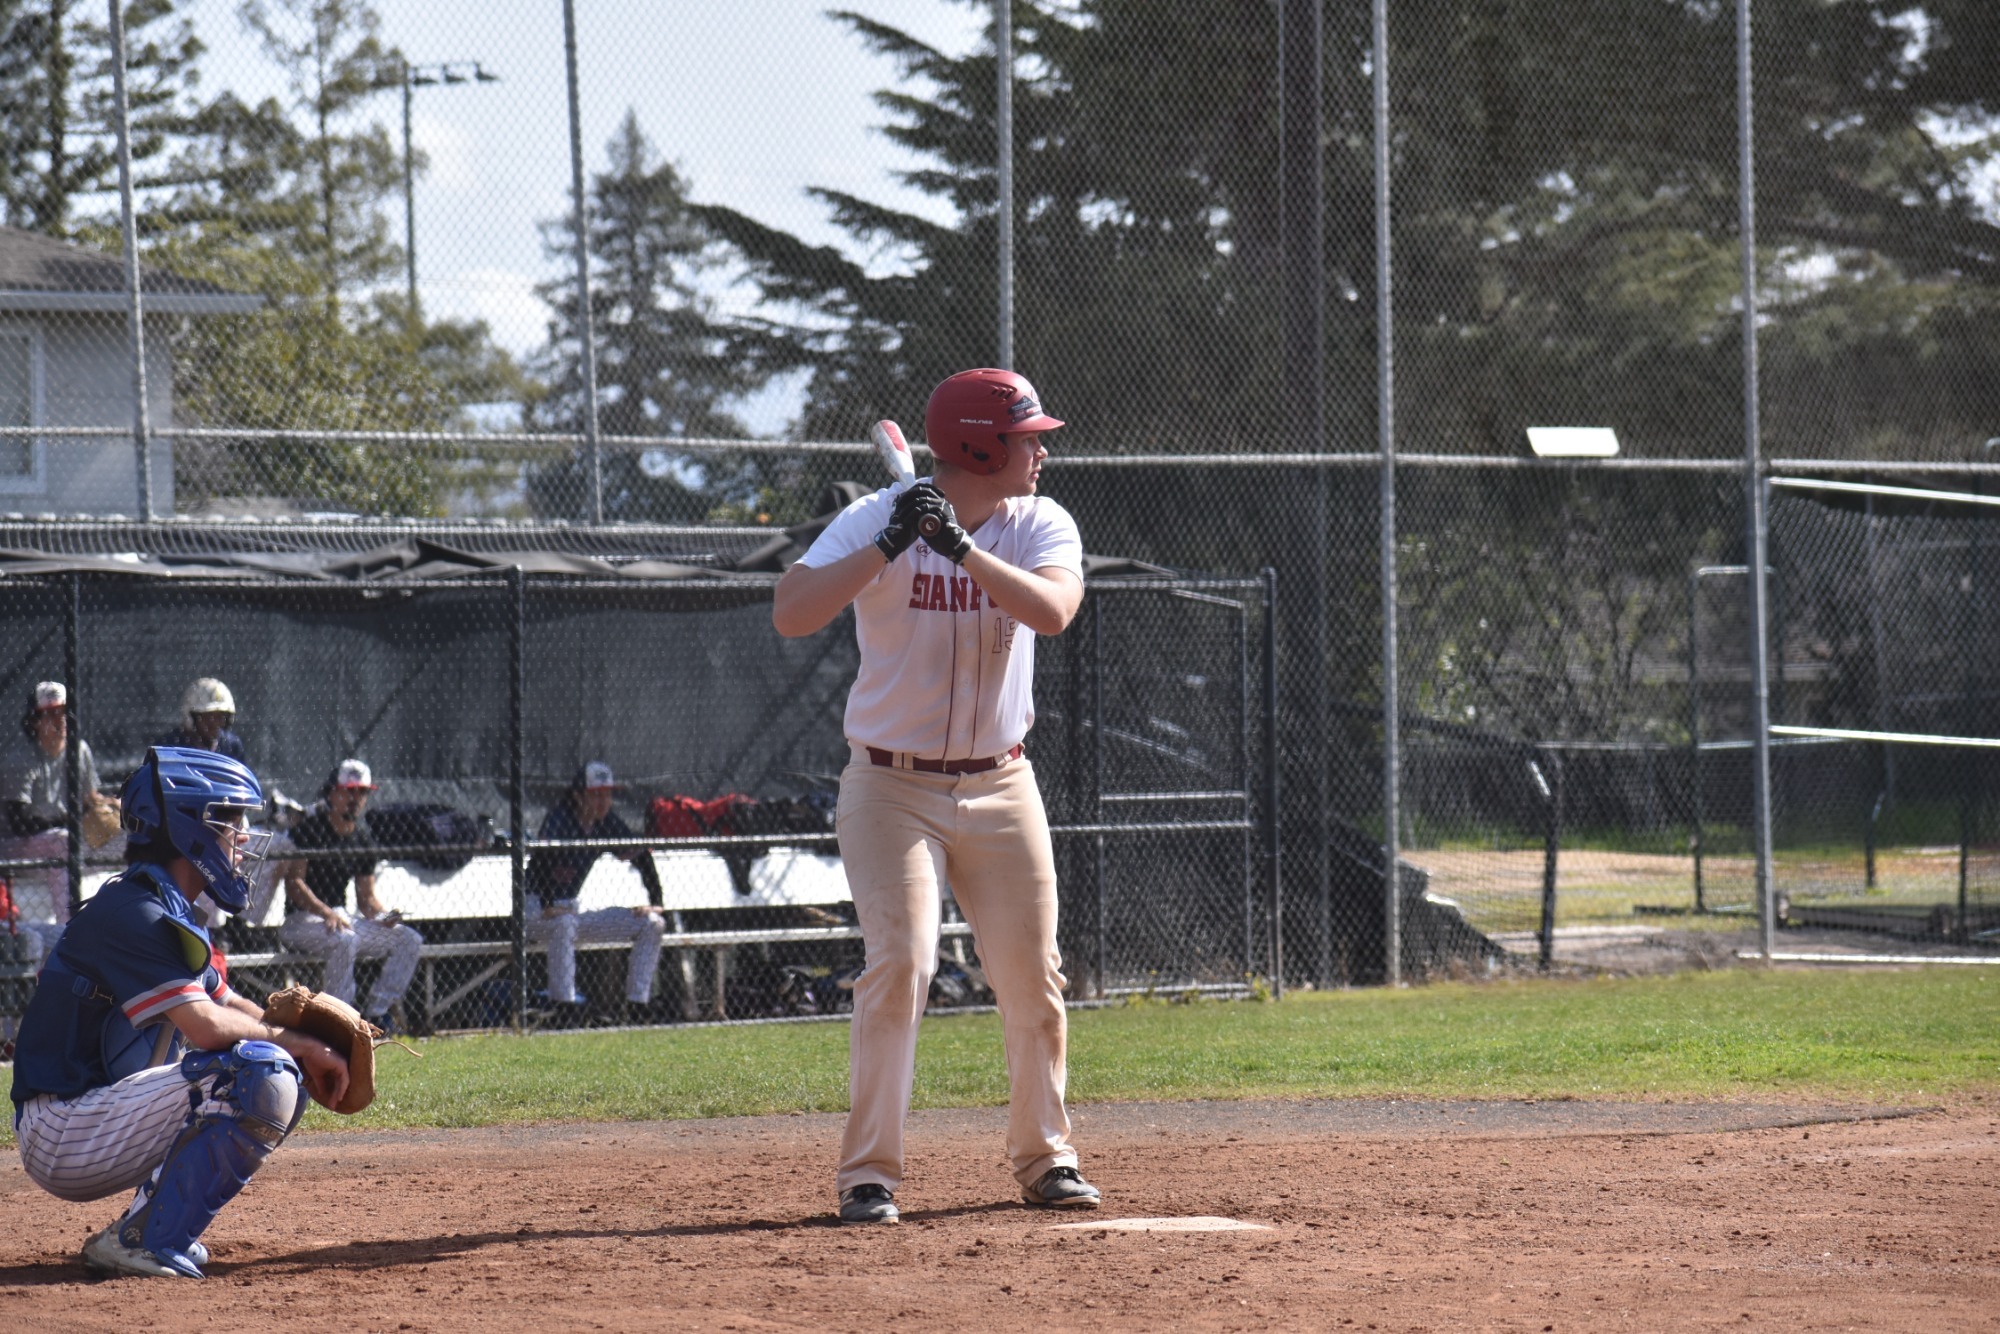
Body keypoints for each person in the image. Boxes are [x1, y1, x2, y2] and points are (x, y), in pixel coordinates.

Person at [772, 367, 1098, 1223]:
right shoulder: (880, 517)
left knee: (1034, 979)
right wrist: (889, 545)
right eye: (1027, 438)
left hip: (1002, 782)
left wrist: (959, 549)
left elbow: (1055, 610)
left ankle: (1046, 1160)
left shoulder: (1040, 523)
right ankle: (868, 1175)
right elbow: (792, 609)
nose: (1040, 453)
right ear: (980, 445)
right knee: (903, 964)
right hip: (889, 788)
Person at [8, 746, 348, 1279]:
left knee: (282, 1074)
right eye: (229, 819)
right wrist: (295, 1044)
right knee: (260, 1071)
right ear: (189, 825)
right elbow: (206, 1026)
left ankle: (149, 1226)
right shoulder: (135, 912)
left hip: (93, 1112)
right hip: (62, 1127)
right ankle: (142, 1238)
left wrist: (301, 1036)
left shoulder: (164, 906)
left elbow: (228, 1003)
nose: (242, 837)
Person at [275, 759, 423, 1032]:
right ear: (332, 793)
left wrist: (384, 917)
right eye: (349, 791)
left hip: (340, 921)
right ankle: (339, 1019)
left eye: (362, 792)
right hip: (302, 922)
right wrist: (326, 912)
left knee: (408, 939)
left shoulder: (363, 837)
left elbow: (366, 900)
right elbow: (294, 885)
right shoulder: (310, 829)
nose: (355, 799)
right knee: (345, 939)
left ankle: (376, 1014)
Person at [524, 761, 668, 1028]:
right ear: (579, 796)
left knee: (652, 925)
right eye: (596, 794)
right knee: (564, 923)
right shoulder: (560, 818)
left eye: (608, 794)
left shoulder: (606, 822)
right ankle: (564, 1008)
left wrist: (656, 902)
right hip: (534, 910)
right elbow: (544, 859)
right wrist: (546, 904)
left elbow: (641, 856)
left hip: (570, 911)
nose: (604, 801)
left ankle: (637, 1007)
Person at [1, 682, 119, 966]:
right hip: (17, 848)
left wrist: (115, 806)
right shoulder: (21, 760)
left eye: (64, 712)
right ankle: (74, 936)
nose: (60, 720)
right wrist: (72, 818)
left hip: (65, 840)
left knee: (130, 837)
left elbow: (90, 798)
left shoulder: (79, 751)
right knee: (62, 841)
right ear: (34, 721)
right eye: (50, 714)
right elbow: (20, 823)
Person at [157, 678, 248, 764]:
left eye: (220, 717)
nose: (215, 723)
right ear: (192, 717)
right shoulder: (170, 746)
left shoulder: (231, 746)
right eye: (208, 717)